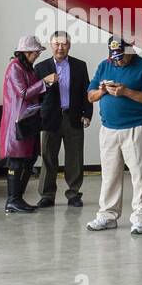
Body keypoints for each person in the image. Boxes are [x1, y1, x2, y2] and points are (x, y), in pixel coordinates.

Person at [85, 38, 142, 235]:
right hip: (108, 129)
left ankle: (141, 218)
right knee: (109, 175)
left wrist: (126, 91)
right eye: (114, 58)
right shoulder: (104, 65)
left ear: (132, 50)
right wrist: (101, 91)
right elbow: (90, 96)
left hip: (136, 128)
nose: (117, 62)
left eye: (121, 57)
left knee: (140, 175)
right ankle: (107, 216)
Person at [35, 30, 92, 208]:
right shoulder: (41, 67)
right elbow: (35, 95)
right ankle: (47, 195)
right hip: (50, 118)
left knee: (74, 157)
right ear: (51, 45)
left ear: (69, 46)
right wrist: (45, 82)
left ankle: (74, 194)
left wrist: (87, 114)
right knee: (48, 157)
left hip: (73, 116)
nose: (60, 47)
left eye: (64, 44)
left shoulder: (80, 66)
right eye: (56, 44)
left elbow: (86, 92)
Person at [0, 36, 56, 215]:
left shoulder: (26, 67)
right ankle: (13, 200)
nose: (37, 55)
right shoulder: (15, 67)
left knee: (28, 159)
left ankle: (17, 198)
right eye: (35, 52)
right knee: (16, 162)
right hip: (18, 123)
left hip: (28, 121)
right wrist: (45, 82)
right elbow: (23, 93)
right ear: (25, 52)